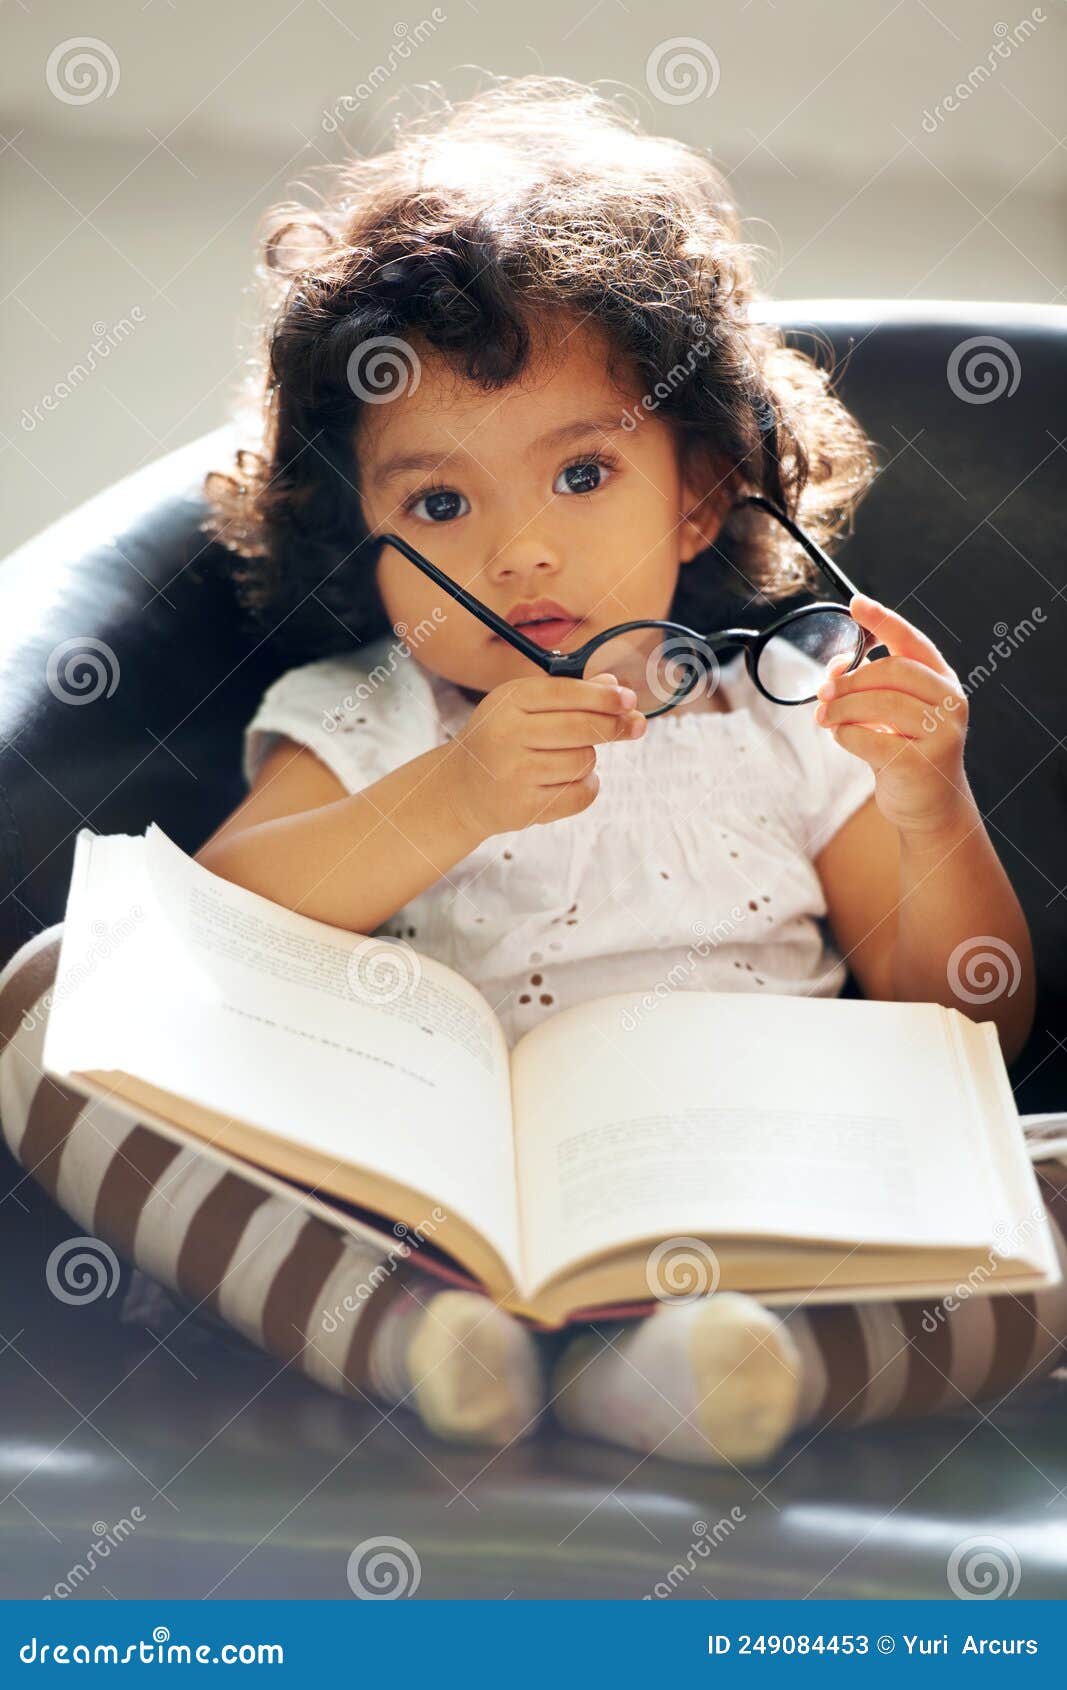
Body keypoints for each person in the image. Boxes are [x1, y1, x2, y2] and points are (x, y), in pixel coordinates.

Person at [3, 78, 1062, 1470]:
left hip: (776, 1205)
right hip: (428, 1228)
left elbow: (966, 1014)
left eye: (580, 476)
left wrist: (928, 800)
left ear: (697, 492)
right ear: (360, 540)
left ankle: (732, 1367)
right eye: (439, 503)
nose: (518, 553)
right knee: (53, 997)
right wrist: (448, 800)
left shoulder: (788, 714)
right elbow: (208, 946)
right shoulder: (368, 714)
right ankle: (419, 1343)